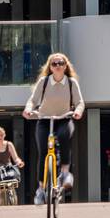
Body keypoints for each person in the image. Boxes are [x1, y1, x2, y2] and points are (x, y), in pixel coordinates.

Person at [23, 53, 85, 203]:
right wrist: (28, 109)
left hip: (64, 118)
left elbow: (79, 102)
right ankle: (40, 189)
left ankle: (64, 172)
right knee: (43, 152)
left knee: (64, 135)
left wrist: (77, 111)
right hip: (44, 119)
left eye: (60, 63)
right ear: (50, 67)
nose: (57, 66)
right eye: (54, 64)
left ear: (65, 66)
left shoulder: (71, 83)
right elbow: (33, 100)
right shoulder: (44, 82)